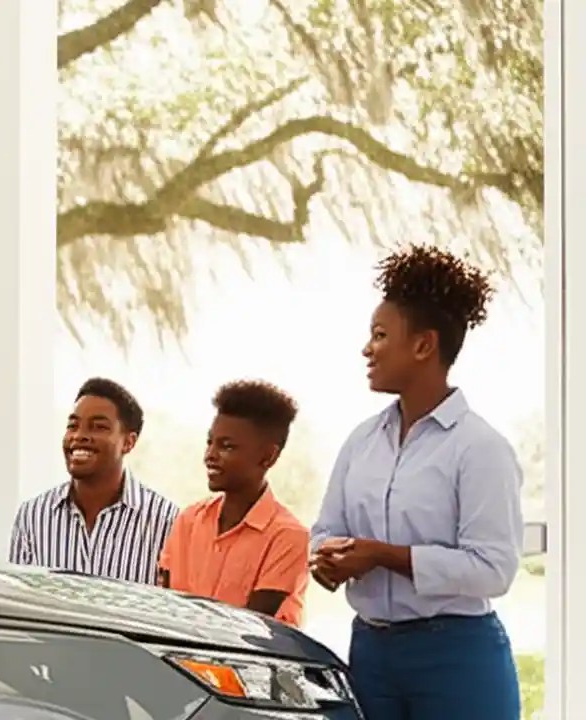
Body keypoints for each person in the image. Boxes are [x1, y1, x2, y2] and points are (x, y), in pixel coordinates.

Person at [309, 245, 523, 720]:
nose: (367, 349)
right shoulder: (360, 442)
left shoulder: (480, 448)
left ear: (424, 346)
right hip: (371, 653)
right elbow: (325, 530)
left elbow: (494, 568)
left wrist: (384, 556)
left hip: (457, 658)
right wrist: (327, 558)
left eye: (381, 335)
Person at [157, 380, 309, 626]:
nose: (210, 456)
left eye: (226, 446)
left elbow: (252, 628)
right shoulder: (190, 520)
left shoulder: (288, 536)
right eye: (210, 443)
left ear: (267, 457)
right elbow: (165, 604)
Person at [8, 377, 179, 583]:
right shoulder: (33, 515)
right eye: (73, 425)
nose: (79, 435)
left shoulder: (166, 522)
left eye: (98, 427)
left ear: (129, 442)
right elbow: (19, 603)